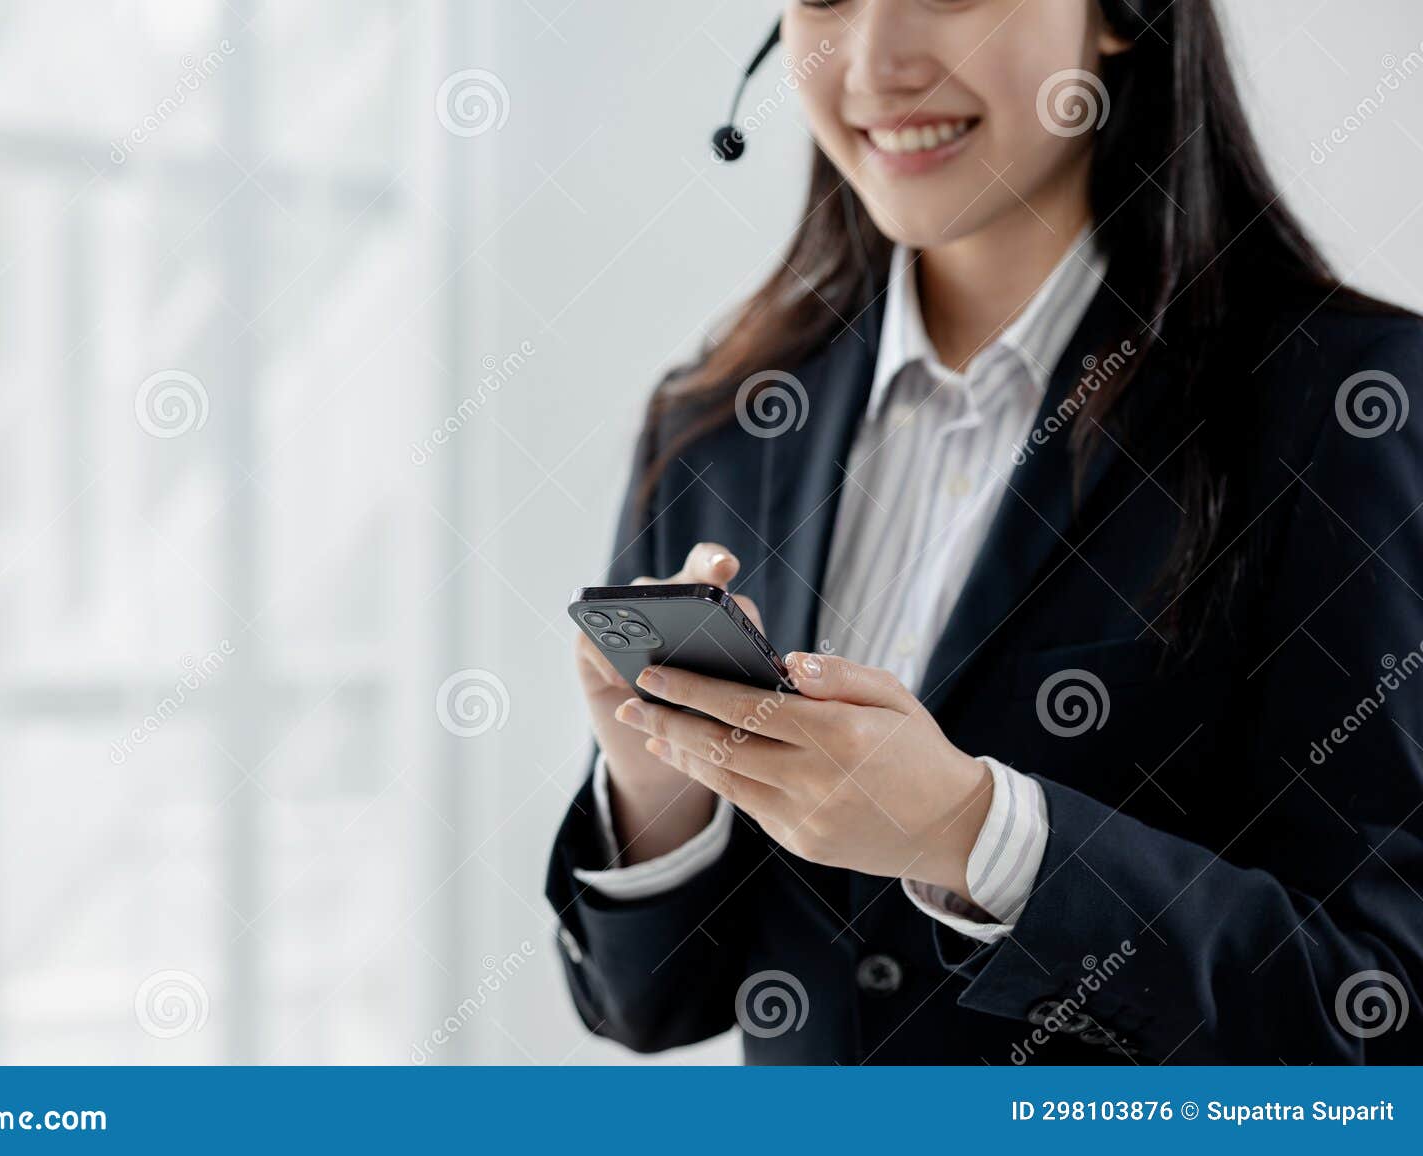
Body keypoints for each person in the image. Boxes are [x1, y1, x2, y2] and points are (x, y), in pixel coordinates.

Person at [545, 0, 1423, 1064]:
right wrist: (662, 782)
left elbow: (1379, 1008)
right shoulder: (719, 421)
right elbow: (646, 1005)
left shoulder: (1348, 403)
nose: (874, 64)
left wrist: (973, 833)